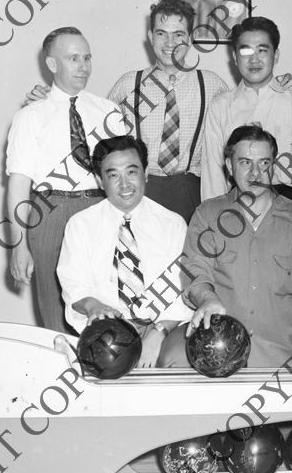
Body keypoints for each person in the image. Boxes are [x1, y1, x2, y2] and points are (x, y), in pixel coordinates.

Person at [25, 0, 231, 224]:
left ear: (190, 38)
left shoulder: (212, 84)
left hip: (190, 190)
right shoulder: (127, 84)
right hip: (139, 189)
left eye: (179, 34)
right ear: (151, 37)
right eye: (162, 33)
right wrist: (53, 99)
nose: (170, 42)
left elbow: (240, 122)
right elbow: (90, 122)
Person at [6, 27, 127, 333]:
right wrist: (18, 247)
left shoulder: (109, 111)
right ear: (52, 64)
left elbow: (125, 172)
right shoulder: (30, 117)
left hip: (101, 209)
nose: (83, 66)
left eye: (87, 57)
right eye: (73, 58)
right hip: (50, 212)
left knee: (104, 302)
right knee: (56, 310)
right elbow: (19, 186)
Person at [180, 124, 292, 366]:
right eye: (245, 163)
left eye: (263, 163)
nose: (255, 174)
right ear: (229, 166)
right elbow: (194, 269)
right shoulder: (208, 214)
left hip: (283, 361)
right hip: (218, 357)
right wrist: (208, 299)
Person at [57, 136, 192, 366]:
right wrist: (94, 306)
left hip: (164, 324)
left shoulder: (173, 223)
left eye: (132, 172)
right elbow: (74, 284)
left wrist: (157, 332)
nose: (125, 184)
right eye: (113, 175)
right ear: (100, 180)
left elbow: (182, 289)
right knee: (105, 364)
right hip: (109, 325)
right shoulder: (81, 224)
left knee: (180, 359)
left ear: (145, 173)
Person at [200, 17, 292, 213]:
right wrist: (215, 219)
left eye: (262, 50)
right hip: (237, 206)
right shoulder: (220, 107)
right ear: (234, 57)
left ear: (276, 55)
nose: (254, 59)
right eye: (245, 51)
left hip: (288, 205)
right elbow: (213, 177)